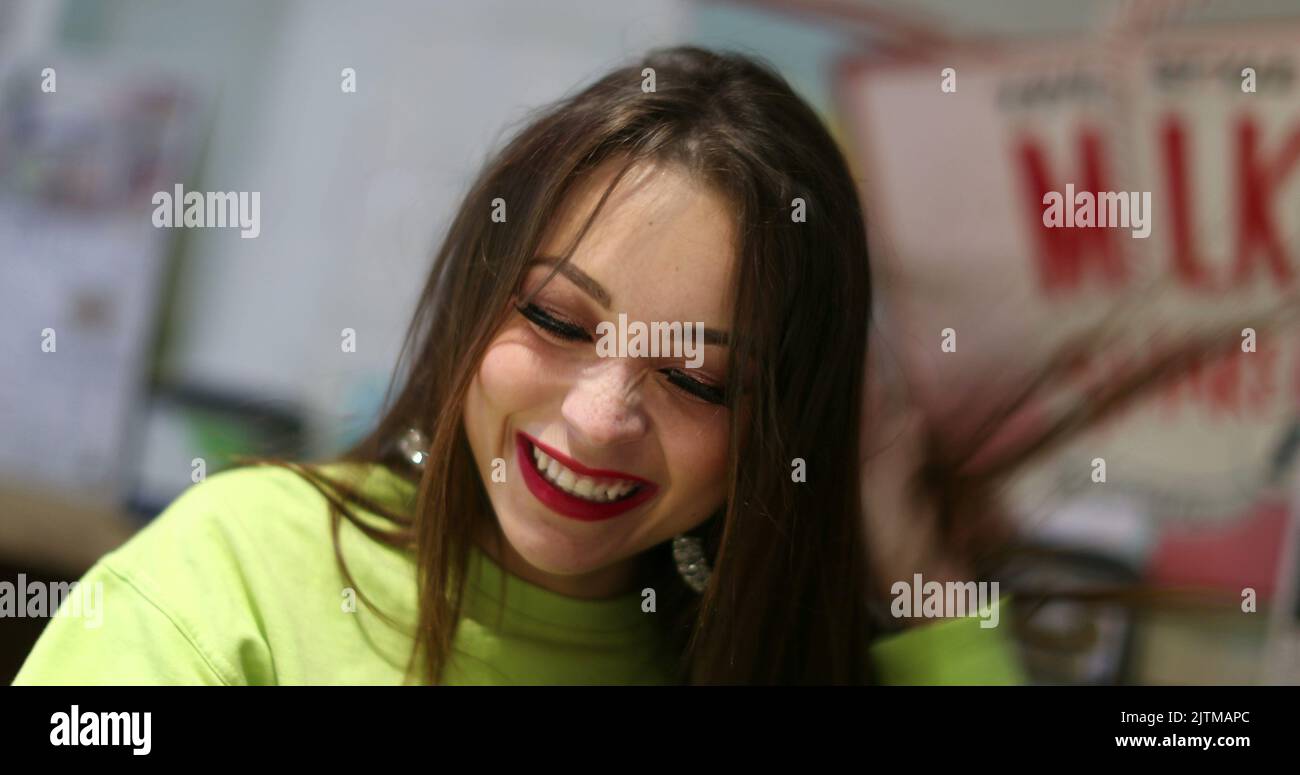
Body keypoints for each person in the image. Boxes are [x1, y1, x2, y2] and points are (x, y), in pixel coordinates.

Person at [15, 46, 1024, 685]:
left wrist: (917, 567)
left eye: (697, 380)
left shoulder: (739, 650)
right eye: (554, 317)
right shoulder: (233, 573)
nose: (597, 418)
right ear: (476, 295)